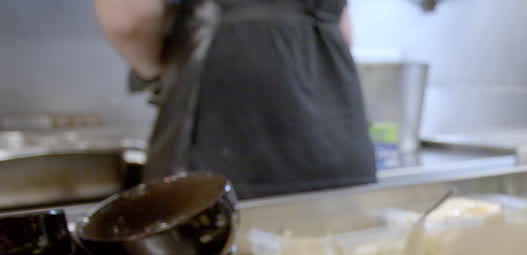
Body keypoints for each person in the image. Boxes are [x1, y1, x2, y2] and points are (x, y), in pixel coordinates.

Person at [93, 0, 376, 199]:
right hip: (335, 115)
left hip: (225, 104)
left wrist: (160, 71)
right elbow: (343, 30)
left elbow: (126, 21)